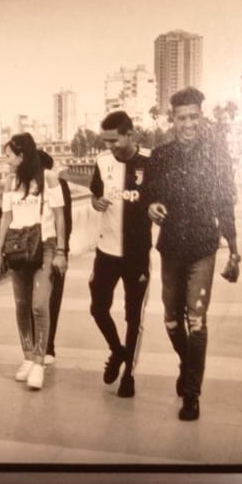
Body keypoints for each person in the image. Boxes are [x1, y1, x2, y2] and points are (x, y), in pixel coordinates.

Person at [144, 86, 241, 421]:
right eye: (182, 118)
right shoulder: (159, 157)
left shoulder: (216, 154)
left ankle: (192, 394)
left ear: (202, 116)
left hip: (202, 246)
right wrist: (152, 206)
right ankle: (188, 364)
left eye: (194, 117)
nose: (188, 124)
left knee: (196, 321)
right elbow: (148, 195)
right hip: (170, 249)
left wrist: (234, 249)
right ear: (172, 120)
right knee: (172, 321)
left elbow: (225, 201)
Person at [87, 110, 154, 399]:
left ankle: (129, 374)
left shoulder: (151, 162)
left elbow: (161, 198)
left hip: (137, 254)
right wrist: (97, 202)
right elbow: (94, 194)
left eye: (114, 140)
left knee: (132, 316)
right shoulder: (102, 162)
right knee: (97, 308)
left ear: (130, 134)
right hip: (106, 251)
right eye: (105, 141)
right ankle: (118, 352)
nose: (110, 146)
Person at [0, 132, 67, 390]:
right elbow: (5, 217)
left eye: (9, 156)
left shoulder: (48, 177)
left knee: (39, 304)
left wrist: (61, 251)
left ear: (22, 156)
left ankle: (39, 361)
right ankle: (27, 357)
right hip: (17, 249)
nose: (7, 161)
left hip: (44, 246)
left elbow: (59, 217)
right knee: (22, 305)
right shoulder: (10, 182)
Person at [37, 149, 73, 366]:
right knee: (41, 300)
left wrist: (62, 251)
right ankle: (43, 344)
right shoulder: (29, 186)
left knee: (52, 297)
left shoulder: (60, 185)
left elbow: (65, 221)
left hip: (56, 249)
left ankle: (48, 344)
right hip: (37, 250)